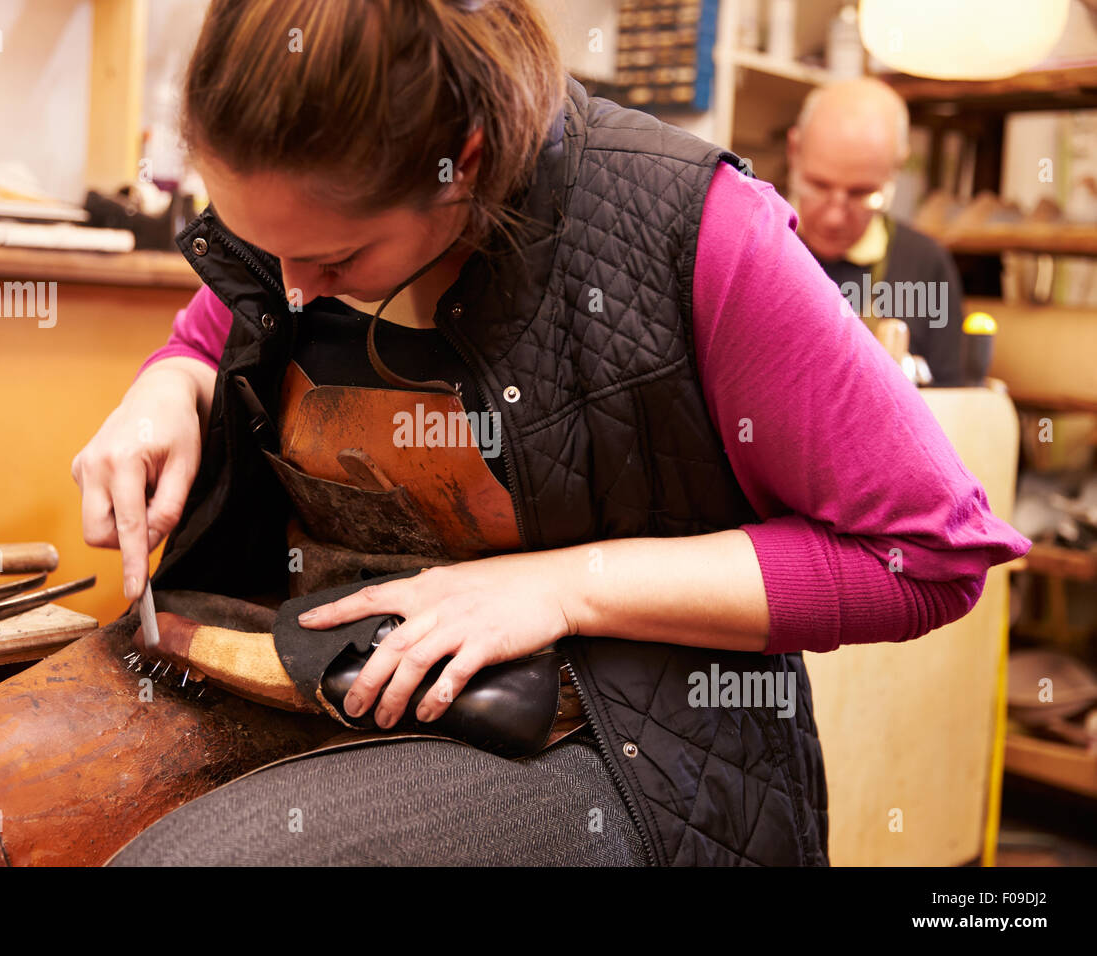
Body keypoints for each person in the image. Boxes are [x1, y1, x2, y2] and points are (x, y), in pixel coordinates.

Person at [72, 0, 1030, 866]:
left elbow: (927, 554)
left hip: (627, 733)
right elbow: (222, 324)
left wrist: (565, 586)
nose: (288, 283)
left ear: (469, 160)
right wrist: (166, 386)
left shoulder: (690, 229)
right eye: (256, 244)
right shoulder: (304, 214)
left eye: (332, 256)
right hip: (333, 661)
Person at [786, 77, 970, 385]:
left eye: (861, 194)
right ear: (794, 150)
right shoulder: (752, 247)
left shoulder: (925, 265)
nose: (834, 217)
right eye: (818, 186)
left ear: (896, 168)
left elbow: (949, 407)